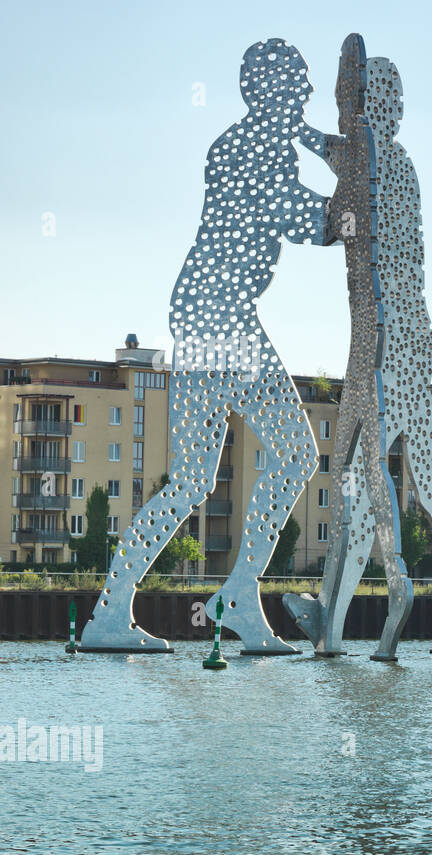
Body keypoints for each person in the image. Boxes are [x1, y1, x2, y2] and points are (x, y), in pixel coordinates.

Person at [80, 39, 329, 654]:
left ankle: (110, 613)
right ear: (269, 92)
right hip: (221, 322)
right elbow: (318, 225)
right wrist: (355, 177)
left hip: (201, 316)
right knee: (297, 454)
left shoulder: (244, 143)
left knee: (192, 481)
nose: (303, 97)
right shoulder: (256, 149)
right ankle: (239, 596)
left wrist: (324, 146)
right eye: (295, 87)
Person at [286, 40, 432, 657]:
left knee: (362, 475)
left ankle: (350, 612)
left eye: (355, 100)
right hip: (391, 341)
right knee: (421, 479)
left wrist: (285, 164)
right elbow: (340, 159)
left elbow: (333, 222)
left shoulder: (386, 168)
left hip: (388, 345)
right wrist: (298, 133)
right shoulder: (381, 163)